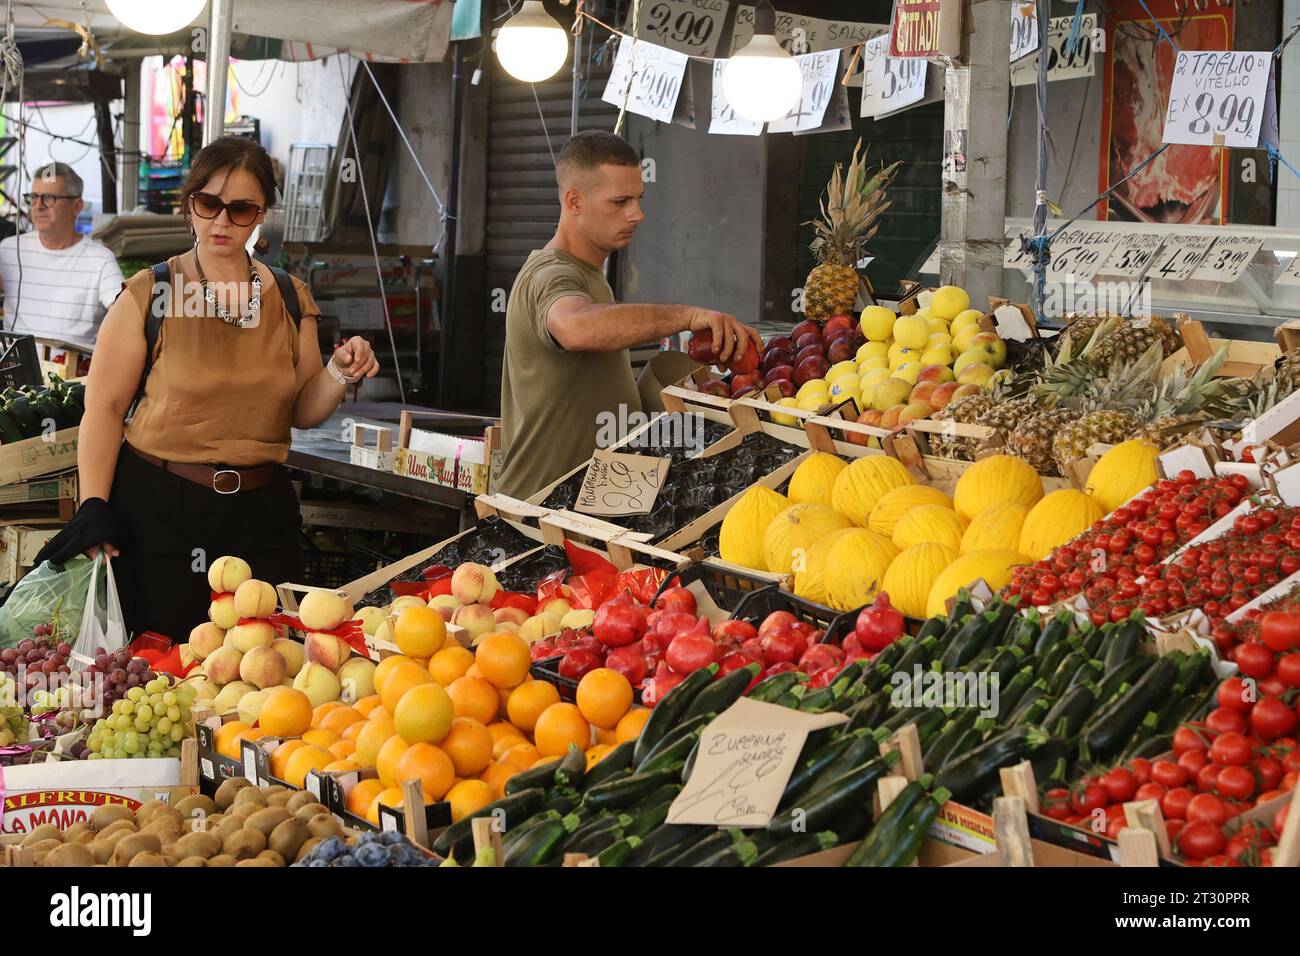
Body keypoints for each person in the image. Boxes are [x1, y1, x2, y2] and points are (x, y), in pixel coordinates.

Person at [34, 136, 380, 641]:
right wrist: (94, 507)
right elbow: (103, 409)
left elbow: (304, 410)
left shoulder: (287, 295)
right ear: (190, 205)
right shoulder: (151, 293)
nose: (222, 221)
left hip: (261, 515)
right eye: (208, 203)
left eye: (240, 209)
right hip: (161, 511)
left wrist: (338, 373)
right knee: (166, 664)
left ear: (261, 214)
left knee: (262, 673)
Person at [495, 130, 761, 498]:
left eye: (638, 198)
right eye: (620, 201)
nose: (637, 214)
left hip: (594, 504)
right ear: (574, 201)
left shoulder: (590, 276)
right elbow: (575, 327)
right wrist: (687, 316)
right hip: (539, 512)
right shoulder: (552, 275)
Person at [0, 162, 124, 345]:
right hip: (15, 369)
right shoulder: (9, 250)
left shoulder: (100, 260)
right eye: (33, 197)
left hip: (71, 371)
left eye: (49, 198)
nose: (38, 206)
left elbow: (125, 314)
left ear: (77, 206)